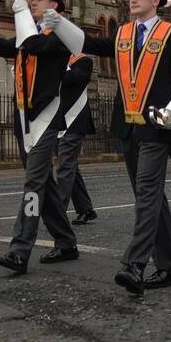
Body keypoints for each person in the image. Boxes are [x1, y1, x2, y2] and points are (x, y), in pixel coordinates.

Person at [43, 0, 171, 295]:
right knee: (151, 197)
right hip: (127, 128)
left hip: (156, 128)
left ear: (156, 0)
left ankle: (134, 263)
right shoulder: (123, 34)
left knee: (147, 194)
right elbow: (90, 44)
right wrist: (60, 24)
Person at [0, 0, 79, 274]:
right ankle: (66, 241)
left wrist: (22, 14)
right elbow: (0, 47)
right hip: (23, 117)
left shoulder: (61, 35)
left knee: (33, 184)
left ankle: (20, 249)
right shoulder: (29, 34)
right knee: (43, 183)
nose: (33, 2)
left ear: (56, 6)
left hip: (46, 118)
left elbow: (34, 45)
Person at [59, 52, 98, 225]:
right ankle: (85, 208)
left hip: (74, 121)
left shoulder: (83, 61)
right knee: (70, 166)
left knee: (65, 166)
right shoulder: (58, 59)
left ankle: (57, 212)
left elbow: (70, 80)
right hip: (58, 121)